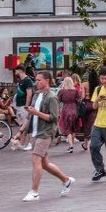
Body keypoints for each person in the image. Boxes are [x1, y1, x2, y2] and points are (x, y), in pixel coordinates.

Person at [21, 71, 75, 202]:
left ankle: (34, 192)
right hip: (35, 132)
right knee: (44, 164)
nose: (36, 82)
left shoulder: (52, 97)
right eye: (36, 80)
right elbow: (31, 114)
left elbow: (54, 118)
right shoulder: (36, 95)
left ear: (47, 80)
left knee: (36, 160)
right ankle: (66, 180)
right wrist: (21, 130)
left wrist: (37, 113)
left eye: (39, 80)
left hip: (45, 133)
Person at [12, 65, 34, 151]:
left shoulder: (27, 80)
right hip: (19, 105)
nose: (15, 73)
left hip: (23, 106)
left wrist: (26, 105)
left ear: (20, 71)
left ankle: (30, 143)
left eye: (16, 71)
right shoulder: (21, 81)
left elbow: (29, 93)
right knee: (23, 125)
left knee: (27, 125)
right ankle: (22, 143)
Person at [57, 77, 81, 153]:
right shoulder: (75, 91)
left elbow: (57, 100)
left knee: (67, 128)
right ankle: (71, 144)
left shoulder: (61, 91)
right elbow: (79, 99)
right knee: (73, 128)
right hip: (75, 109)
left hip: (65, 110)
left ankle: (71, 146)